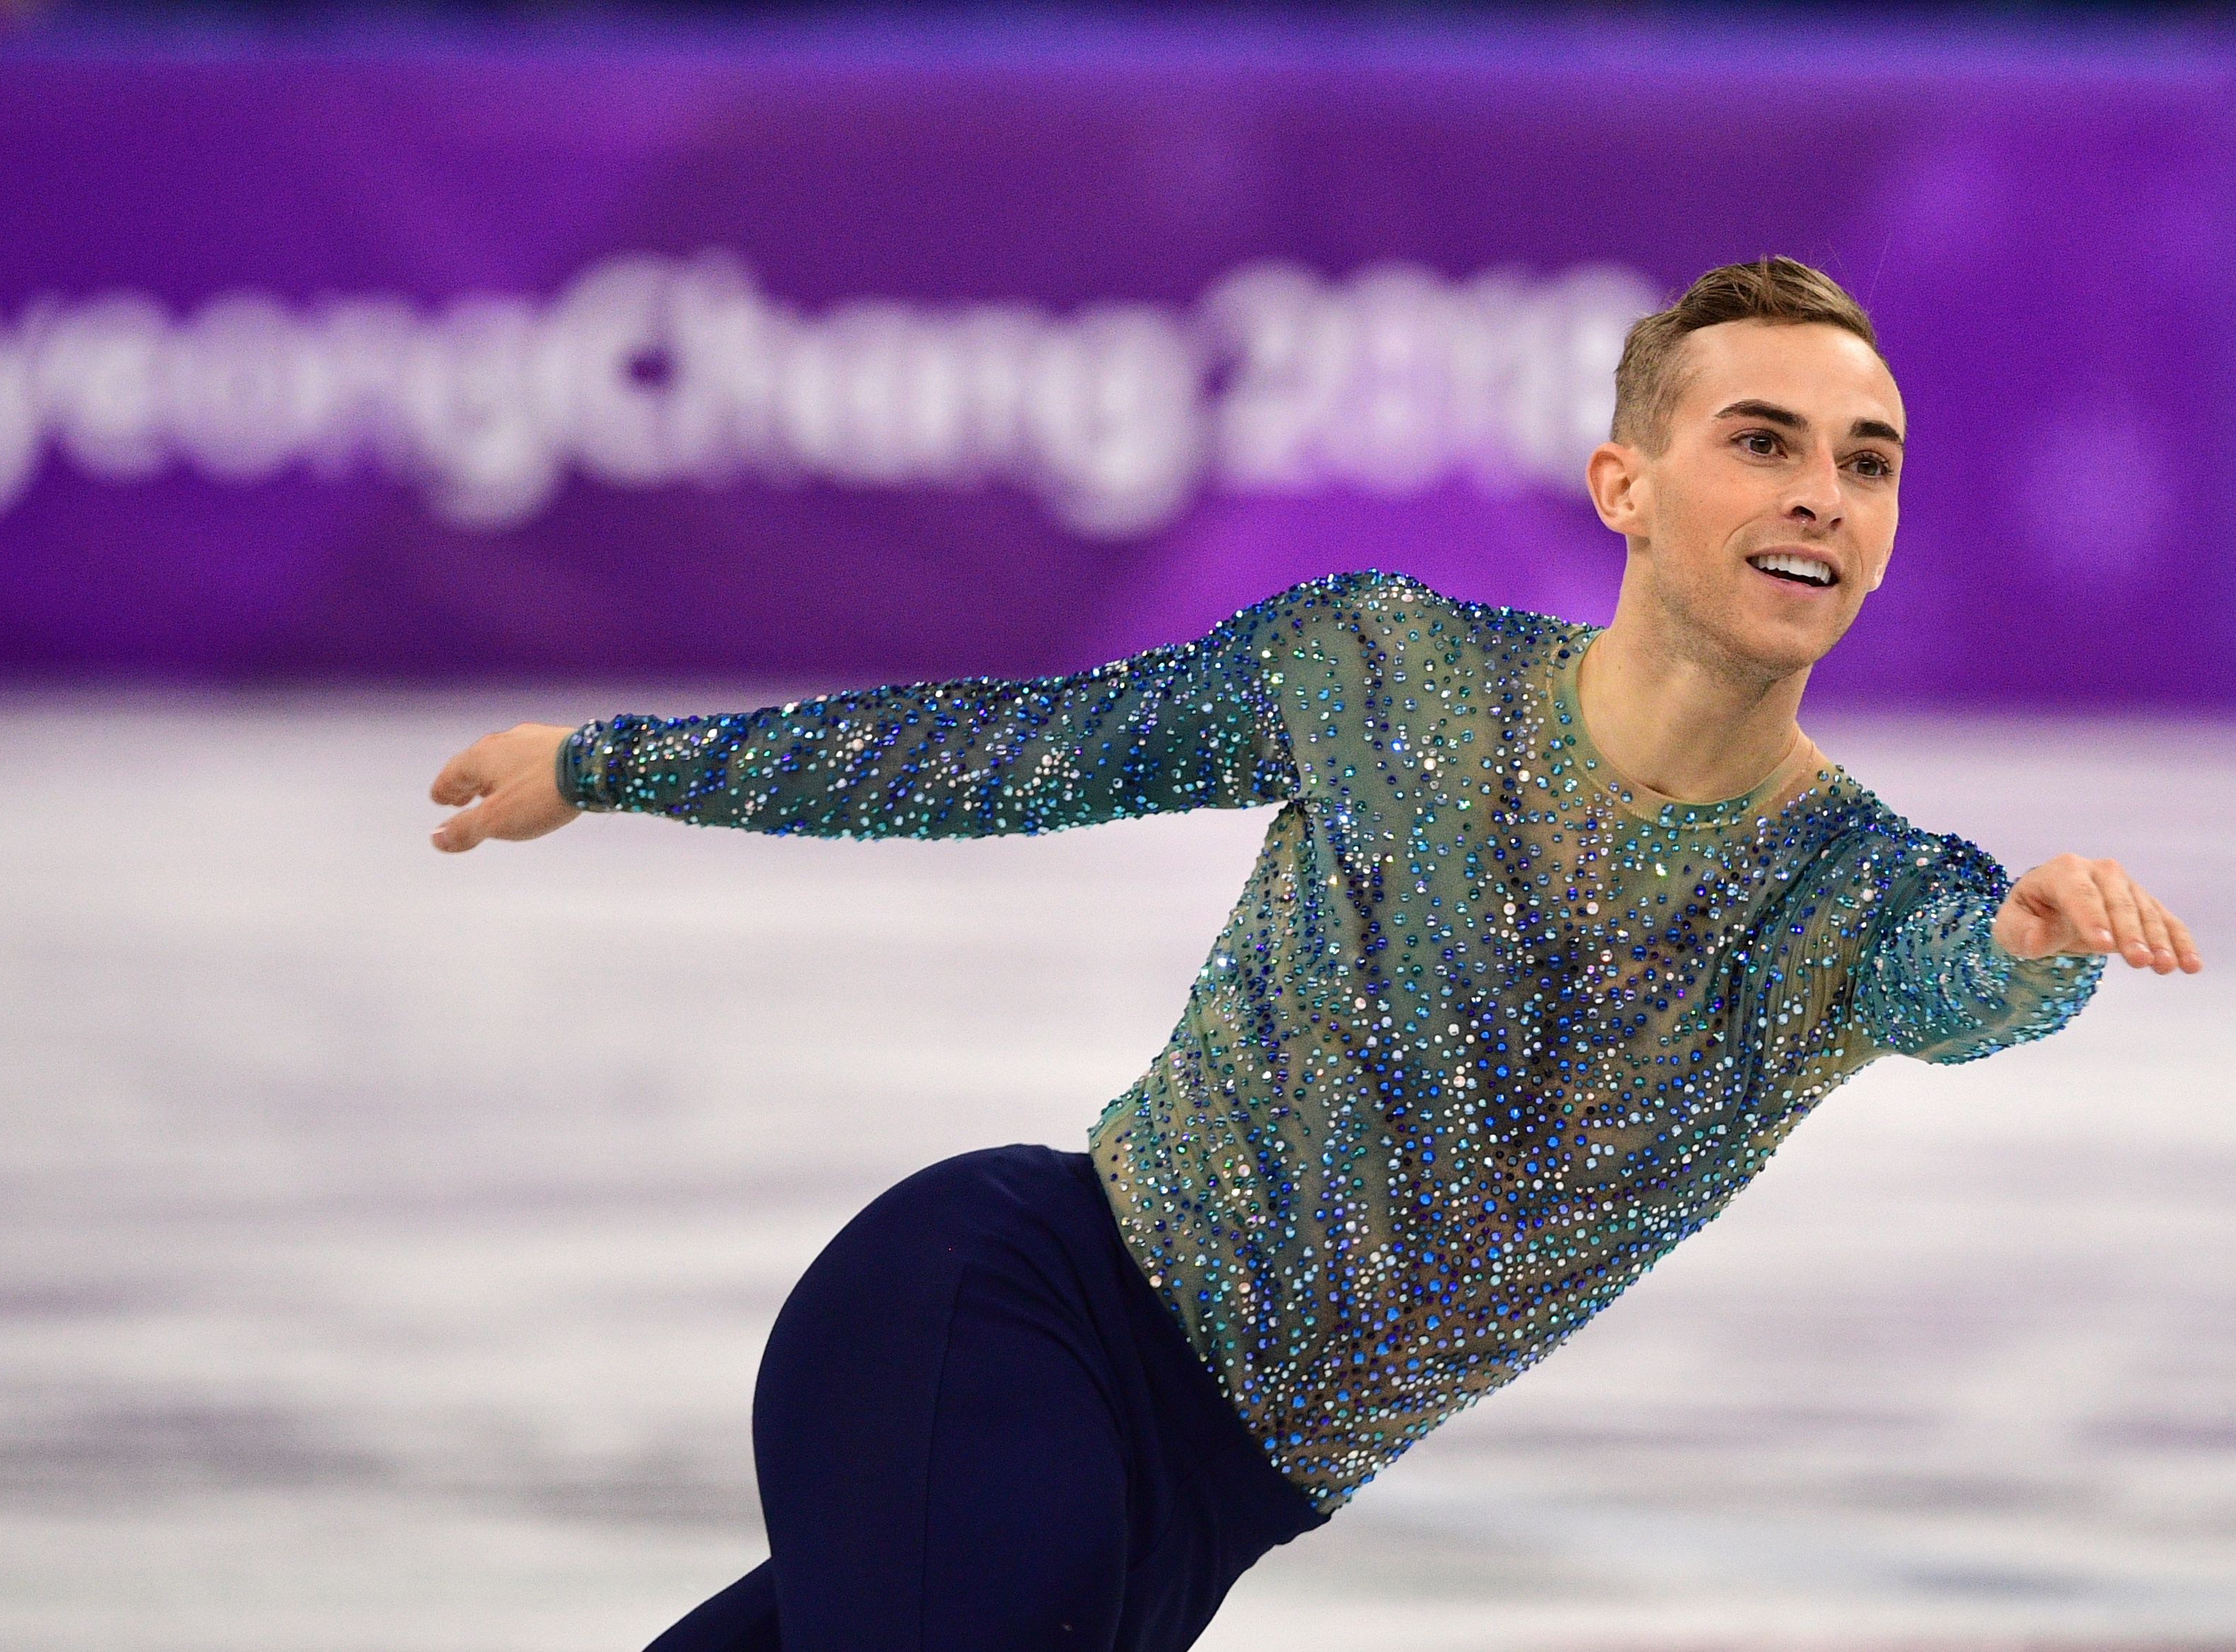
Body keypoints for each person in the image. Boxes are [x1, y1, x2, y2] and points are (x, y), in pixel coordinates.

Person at [425, 259, 2201, 1652]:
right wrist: (609, 765)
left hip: (1202, 1515)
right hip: (1009, 1318)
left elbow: (1952, 983)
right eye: (1762, 440)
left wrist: (2030, 948)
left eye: (1864, 463)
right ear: (1625, 484)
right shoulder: (1379, 671)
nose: (1822, 492)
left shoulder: (1849, 887)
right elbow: (1006, 752)